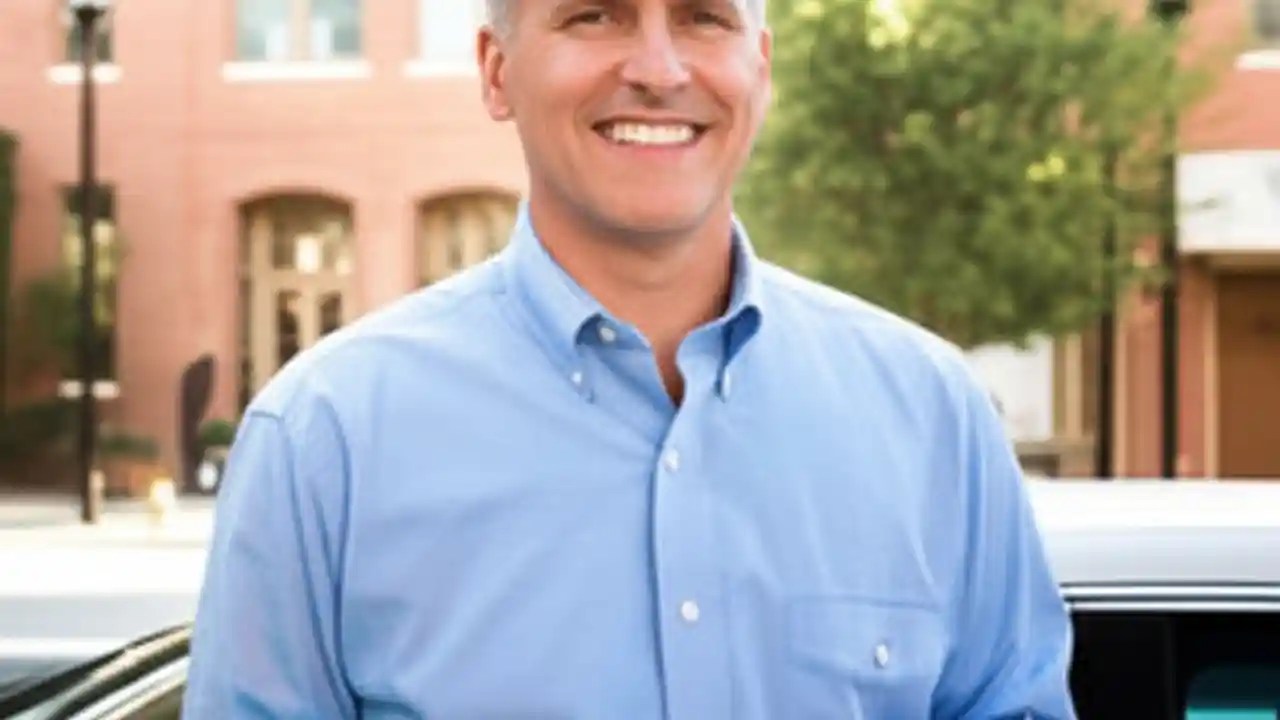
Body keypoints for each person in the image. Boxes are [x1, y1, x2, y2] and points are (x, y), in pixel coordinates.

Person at [183, 0, 1077, 717]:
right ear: (498, 72)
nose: (657, 69)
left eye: (702, 17)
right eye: (595, 16)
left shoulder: (931, 416)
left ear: (759, 67)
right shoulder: (323, 439)